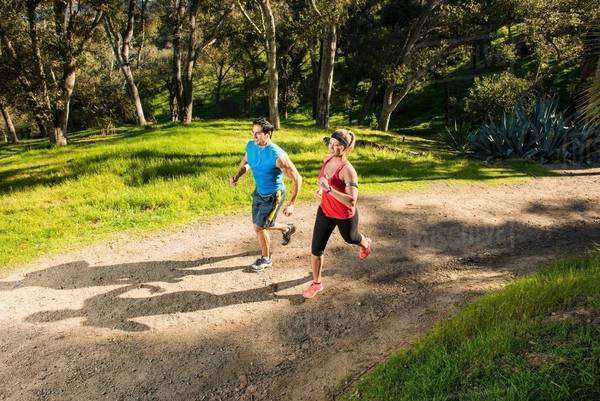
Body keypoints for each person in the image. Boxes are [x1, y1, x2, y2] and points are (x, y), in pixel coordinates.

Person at [303, 128, 372, 298]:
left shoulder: (348, 170)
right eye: (331, 143)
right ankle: (317, 283)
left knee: (351, 238)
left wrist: (329, 189)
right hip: (325, 211)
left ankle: (365, 243)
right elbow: (324, 183)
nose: (332, 147)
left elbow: (351, 200)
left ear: (346, 148)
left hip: (344, 214)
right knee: (316, 249)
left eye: (338, 145)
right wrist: (321, 190)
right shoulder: (327, 160)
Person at [230, 117, 302, 272]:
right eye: (252, 132)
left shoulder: (277, 155)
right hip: (259, 191)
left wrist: (291, 203)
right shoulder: (251, 145)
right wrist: (236, 176)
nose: (254, 136)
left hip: (273, 195)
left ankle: (266, 258)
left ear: (268, 134)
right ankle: (286, 228)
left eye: (258, 133)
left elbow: (297, 177)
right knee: (260, 224)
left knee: (259, 226)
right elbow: (247, 163)